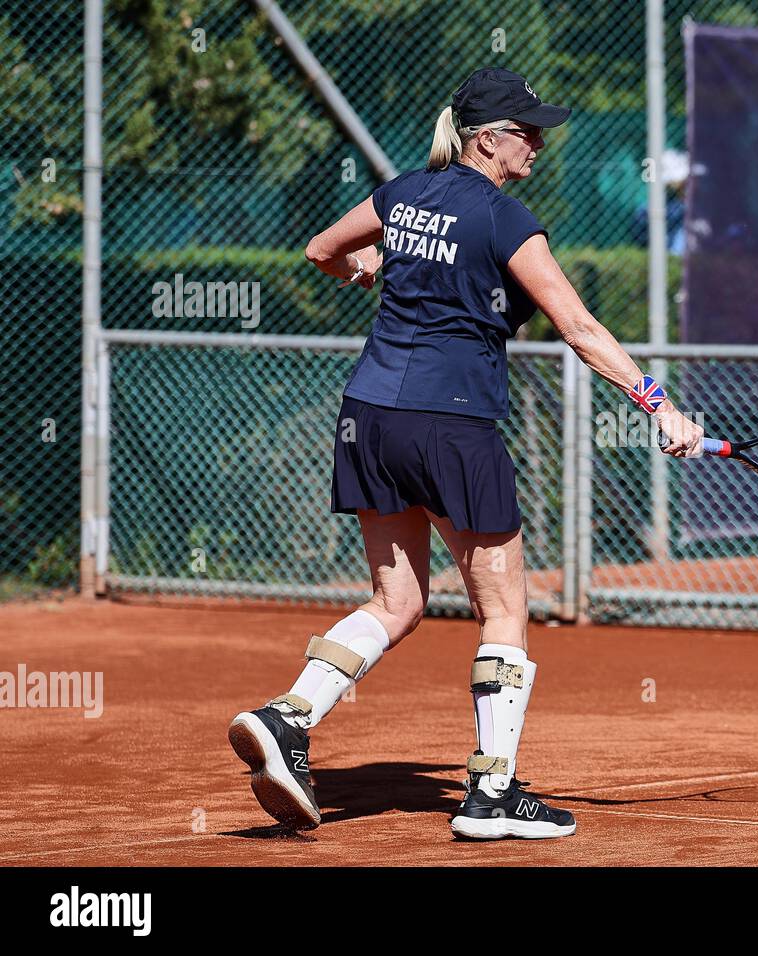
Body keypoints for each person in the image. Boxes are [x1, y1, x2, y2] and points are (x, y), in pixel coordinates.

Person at [227, 67, 704, 840]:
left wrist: (364, 264)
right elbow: (579, 329)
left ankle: (287, 717)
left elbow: (321, 249)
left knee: (399, 602)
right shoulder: (508, 219)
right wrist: (661, 407)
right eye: (528, 131)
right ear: (489, 139)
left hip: (369, 415)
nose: (540, 144)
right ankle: (490, 795)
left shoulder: (401, 194)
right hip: (450, 424)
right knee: (504, 607)